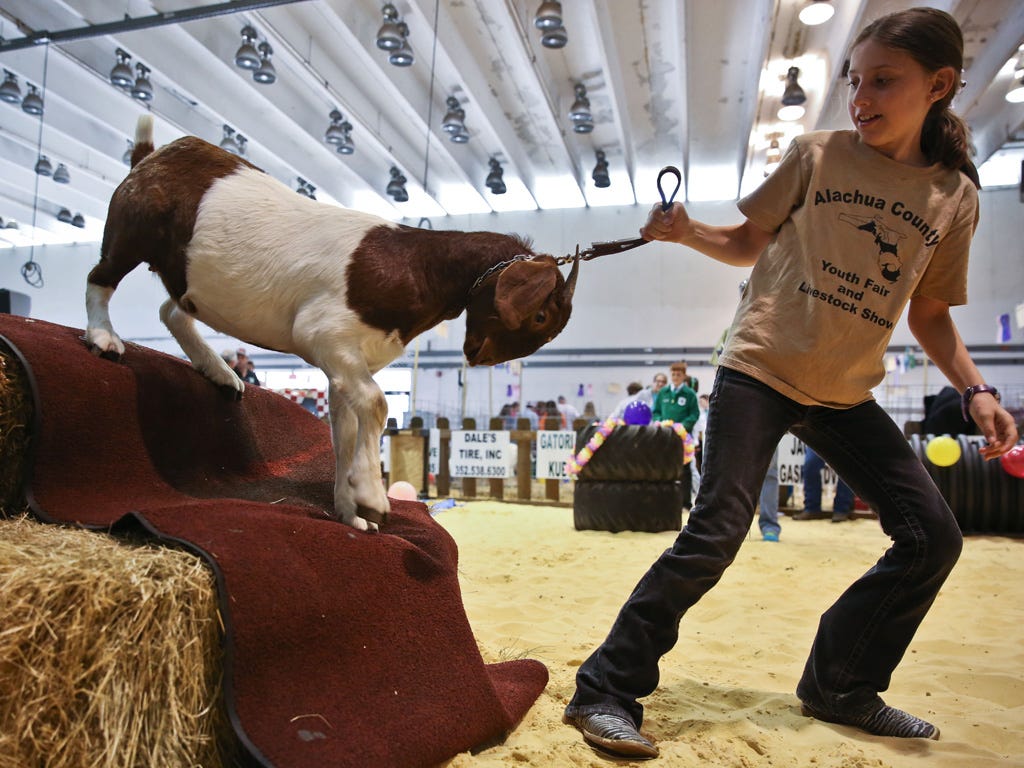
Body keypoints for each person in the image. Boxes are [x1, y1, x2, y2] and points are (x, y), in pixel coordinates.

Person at [562, 9, 1018, 759]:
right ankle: (605, 691)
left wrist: (977, 390)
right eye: (854, 80)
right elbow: (747, 243)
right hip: (761, 368)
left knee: (932, 535)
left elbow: (931, 314)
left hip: (844, 391)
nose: (860, 96)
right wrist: (686, 233)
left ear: (939, 86)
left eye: (882, 81)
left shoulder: (954, 197)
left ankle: (841, 684)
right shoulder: (818, 155)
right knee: (715, 533)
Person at [652, 361, 699, 510]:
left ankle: (685, 502)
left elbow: (694, 414)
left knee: (685, 469)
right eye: (673, 374)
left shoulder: (690, 394)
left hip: (683, 437)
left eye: (679, 375)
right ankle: (665, 500)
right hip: (665, 435)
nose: (675, 377)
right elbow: (656, 412)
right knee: (665, 467)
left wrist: (682, 426)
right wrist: (661, 422)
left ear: (684, 376)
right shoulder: (663, 392)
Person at [794, 446, 855, 522]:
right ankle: (812, 508)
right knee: (810, 463)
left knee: (846, 465)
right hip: (819, 436)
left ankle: (842, 509)